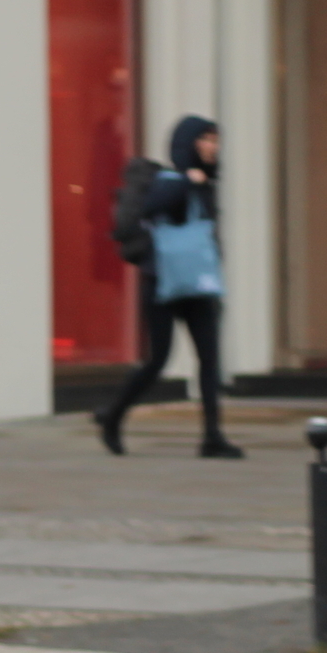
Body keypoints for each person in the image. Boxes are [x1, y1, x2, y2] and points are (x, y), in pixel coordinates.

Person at [95, 115, 243, 458]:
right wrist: (185, 183)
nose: (212, 146)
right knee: (157, 361)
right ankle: (113, 416)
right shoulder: (170, 180)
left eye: (215, 140)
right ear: (188, 143)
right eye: (205, 139)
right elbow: (150, 208)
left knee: (209, 360)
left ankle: (212, 437)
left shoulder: (206, 183)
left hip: (199, 285)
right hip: (162, 283)